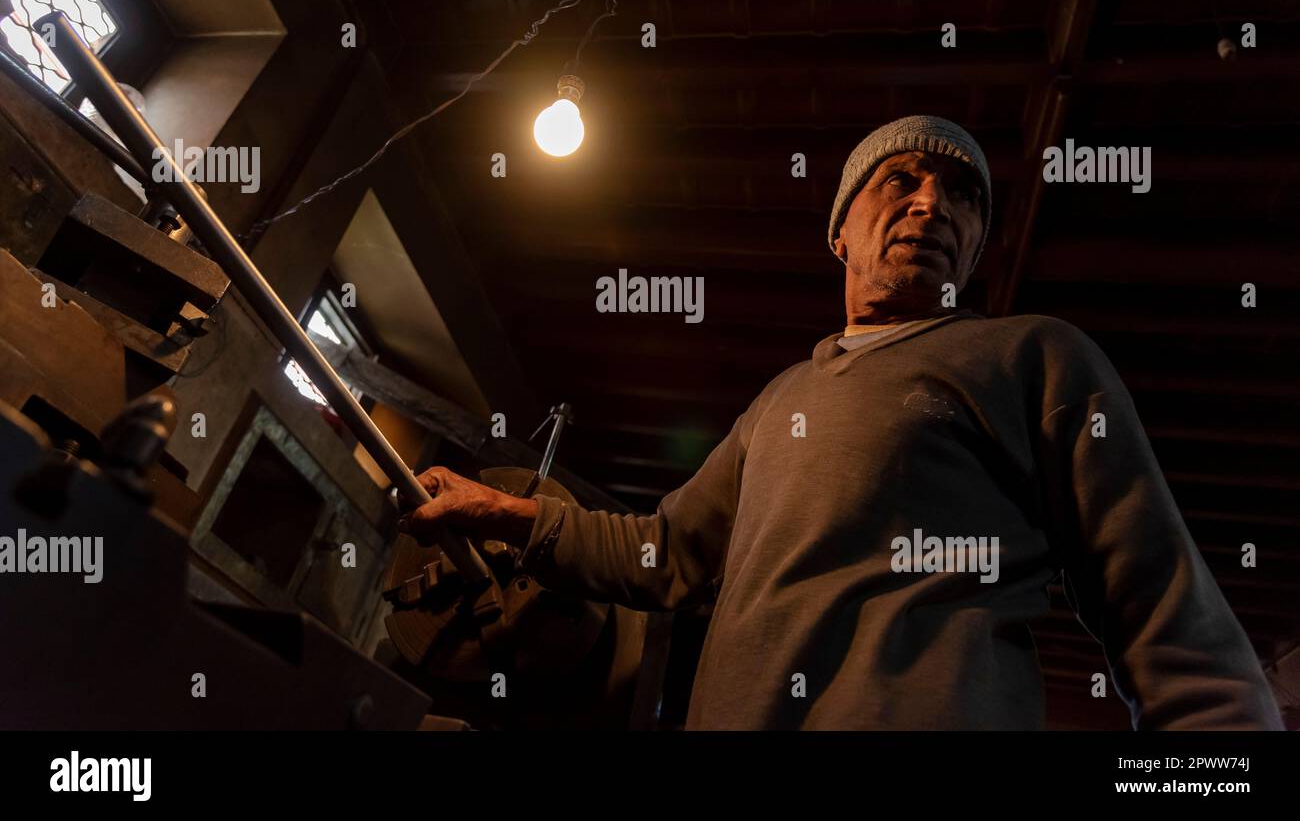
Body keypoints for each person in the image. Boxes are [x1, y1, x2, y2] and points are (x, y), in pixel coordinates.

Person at [398, 115, 1283, 730]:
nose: (934, 205)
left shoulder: (1035, 356)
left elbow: (1162, 605)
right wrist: (502, 510)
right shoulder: (779, 400)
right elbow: (665, 553)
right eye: (903, 181)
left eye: (963, 199)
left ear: (973, 249)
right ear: (842, 232)